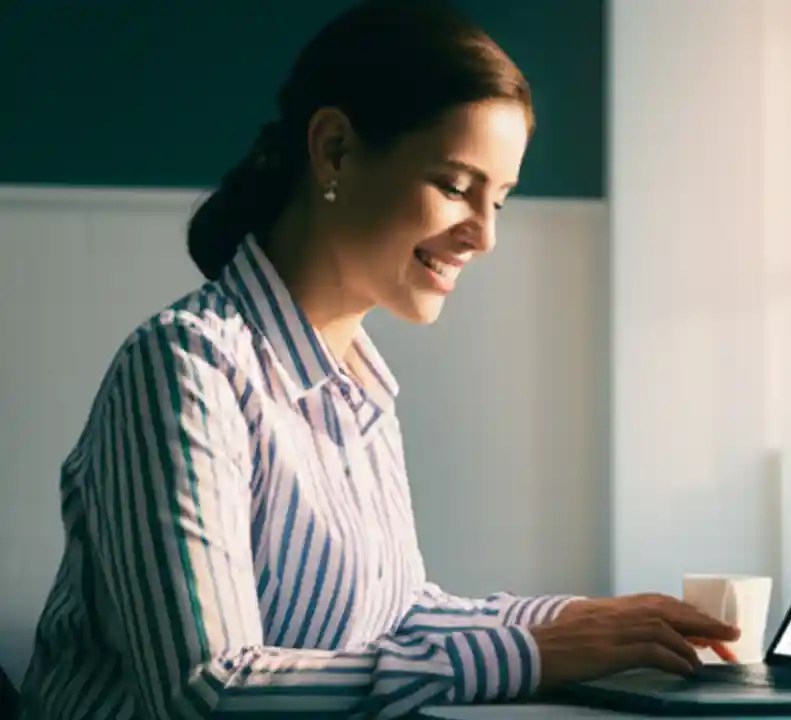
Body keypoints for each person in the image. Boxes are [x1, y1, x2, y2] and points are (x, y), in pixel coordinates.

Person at [19, 1, 738, 717]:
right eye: (456, 187)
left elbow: (390, 618)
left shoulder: (358, 388)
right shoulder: (186, 368)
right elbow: (208, 690)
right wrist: (532, 653)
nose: (483, 235)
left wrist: (578, 623)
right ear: (334, 149)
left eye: (502, 200)